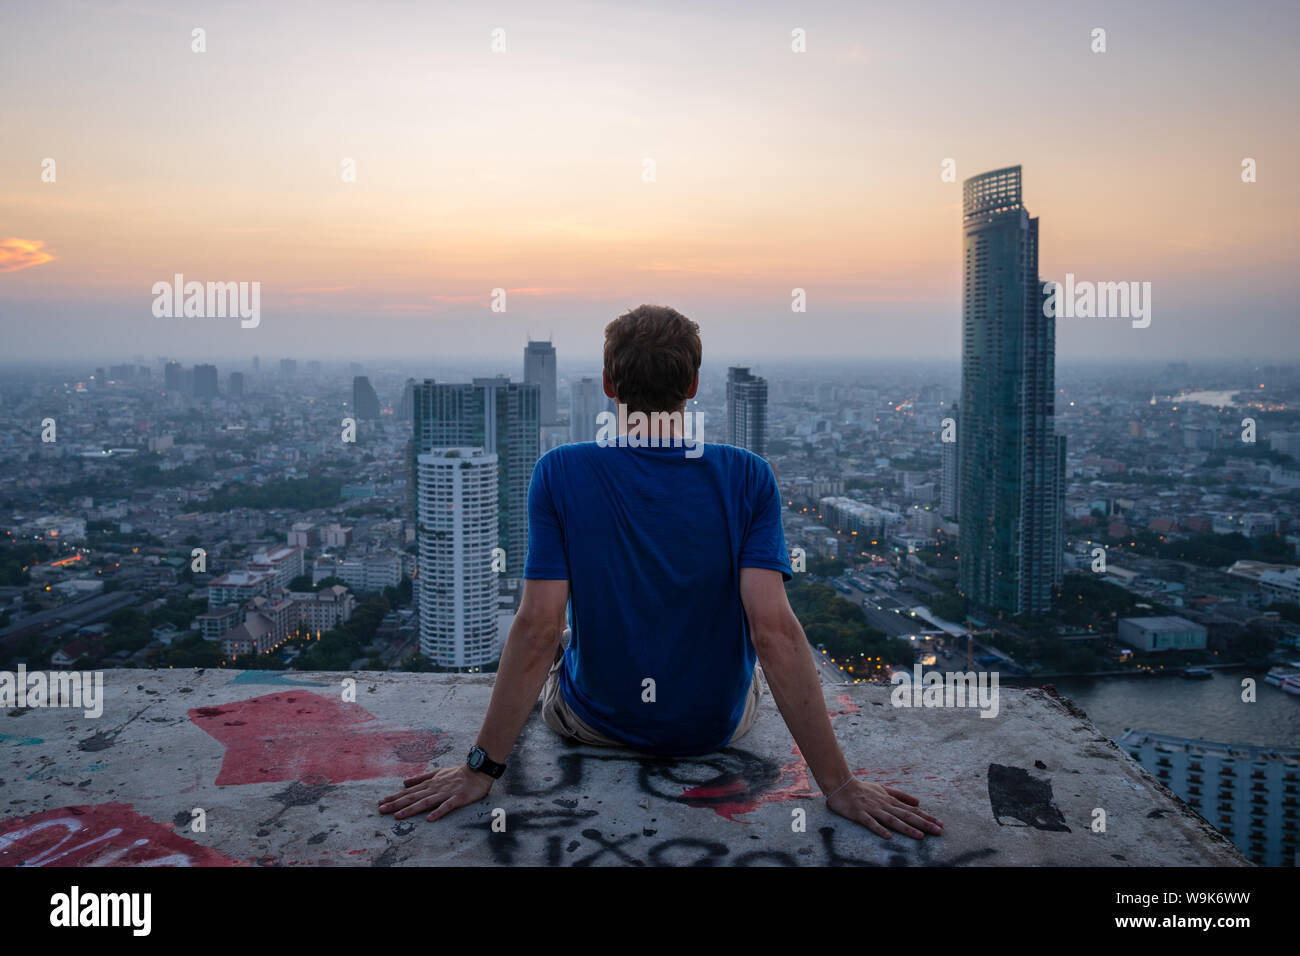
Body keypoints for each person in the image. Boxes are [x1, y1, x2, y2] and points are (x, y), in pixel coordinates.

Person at [379, 305, 943, 841]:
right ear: (693, 385)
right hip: (711, 728)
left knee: (566, 641)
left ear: (608, 383)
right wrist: (839, 786)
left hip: (596, 721)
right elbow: (771, 632)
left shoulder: (561, 472)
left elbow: (536, 631)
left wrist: (481, 769)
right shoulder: (748, 476)